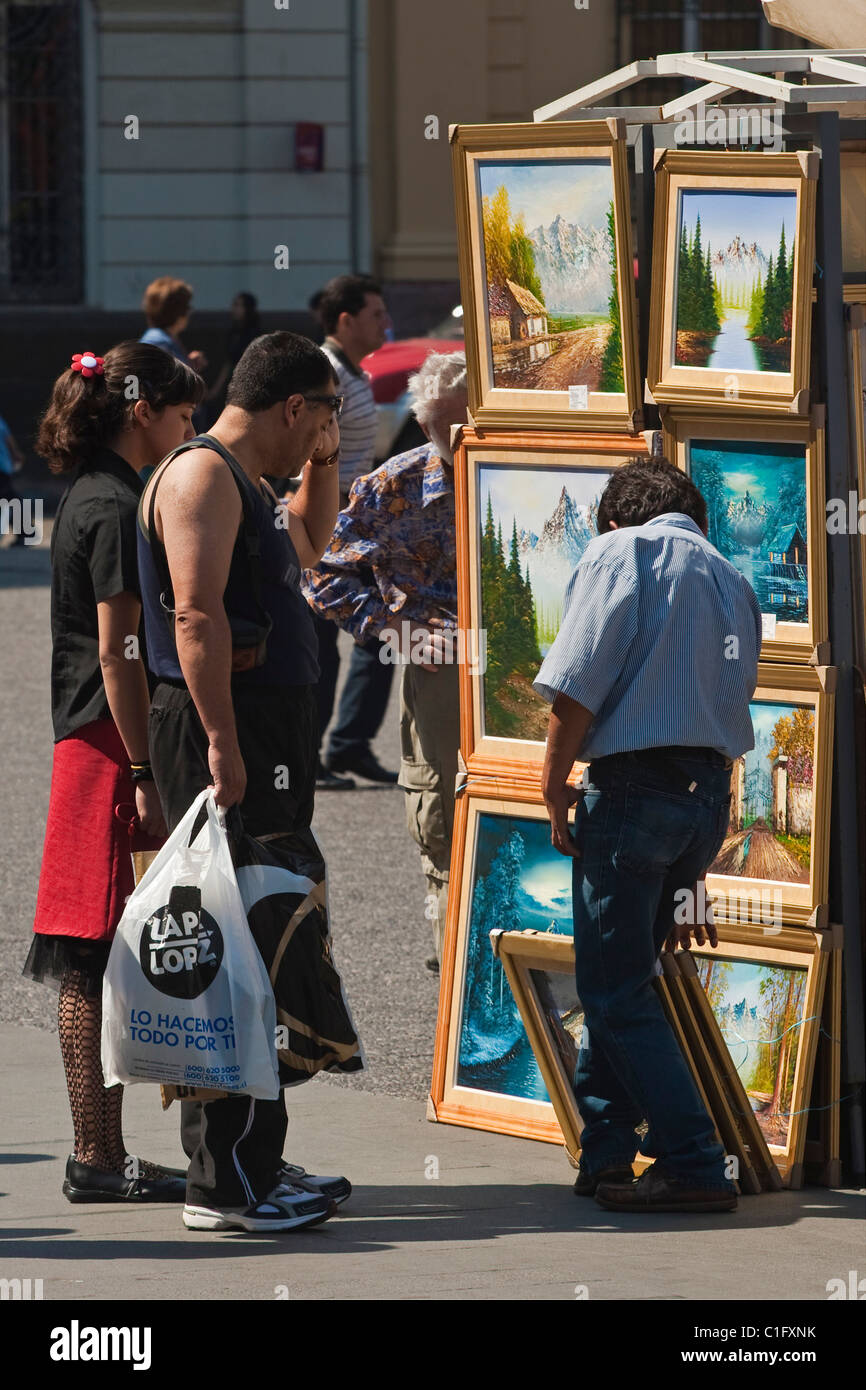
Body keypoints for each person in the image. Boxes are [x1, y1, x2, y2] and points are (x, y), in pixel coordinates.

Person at [138, 330, 352, 1234]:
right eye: (322, 421)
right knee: (242, 939)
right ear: (290, 406)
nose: (323, 439)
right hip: (231, 736)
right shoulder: (200, 476)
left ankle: (252, 1158)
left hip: (264, 735)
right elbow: (193, 614)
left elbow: (312, 544)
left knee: (265, 927)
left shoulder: (250, 478)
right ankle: (226, 1183)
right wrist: (222, 743)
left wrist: (327, 464)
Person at [534, 457, 762, 1215]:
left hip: (635, 791)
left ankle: (695, 1159)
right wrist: (699, 868)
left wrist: (552, 782)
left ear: (614, 517)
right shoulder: (733, 579)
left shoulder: (622, 550)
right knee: (622, 980)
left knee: (614, 986)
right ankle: (605, 1152)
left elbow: (577, 680)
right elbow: (732, 718)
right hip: (701, 802)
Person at [22, 343, 205, 1203]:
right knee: (89, 954)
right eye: (181, 415)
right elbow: (117, 649)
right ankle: (95, 1156)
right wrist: (142, 765)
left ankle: (100, 1152)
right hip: (105, 744)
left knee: (93, 952)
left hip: (93, 741)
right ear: (143, 413)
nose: (189, 431)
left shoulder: (99, 492)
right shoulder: (113, 504)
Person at [304, 352, 468, 973]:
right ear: (421, 422)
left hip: (530, 675)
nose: (454, 439)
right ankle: (453, 968)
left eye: (464, 423)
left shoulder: (519, 467)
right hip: (442, 675)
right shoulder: (394, 485)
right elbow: (320, 572)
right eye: (439, 426)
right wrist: (391, 630)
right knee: (444, 823)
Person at [310, 273, 396, 789]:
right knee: (318, 646)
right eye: (376, 314)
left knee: (379, 632)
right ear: (345, 320)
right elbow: (305, 449)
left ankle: (349, 745)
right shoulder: (324, 372)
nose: (387, 323)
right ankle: (308, 756)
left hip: (354, 527)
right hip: (324, 529)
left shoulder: (352, 371)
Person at [205, 292, 262, 417]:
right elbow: (228, 361)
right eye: (234, 305)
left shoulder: (254, 334)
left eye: (238, 305)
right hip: (232, 383)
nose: (234, 309)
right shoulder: (234, 332)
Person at [140, 276, 207, 375]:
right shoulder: (158, 343)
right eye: (187, 307)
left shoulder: (163, 339)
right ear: (177, 312)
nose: (190, 312)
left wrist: (189, 364)